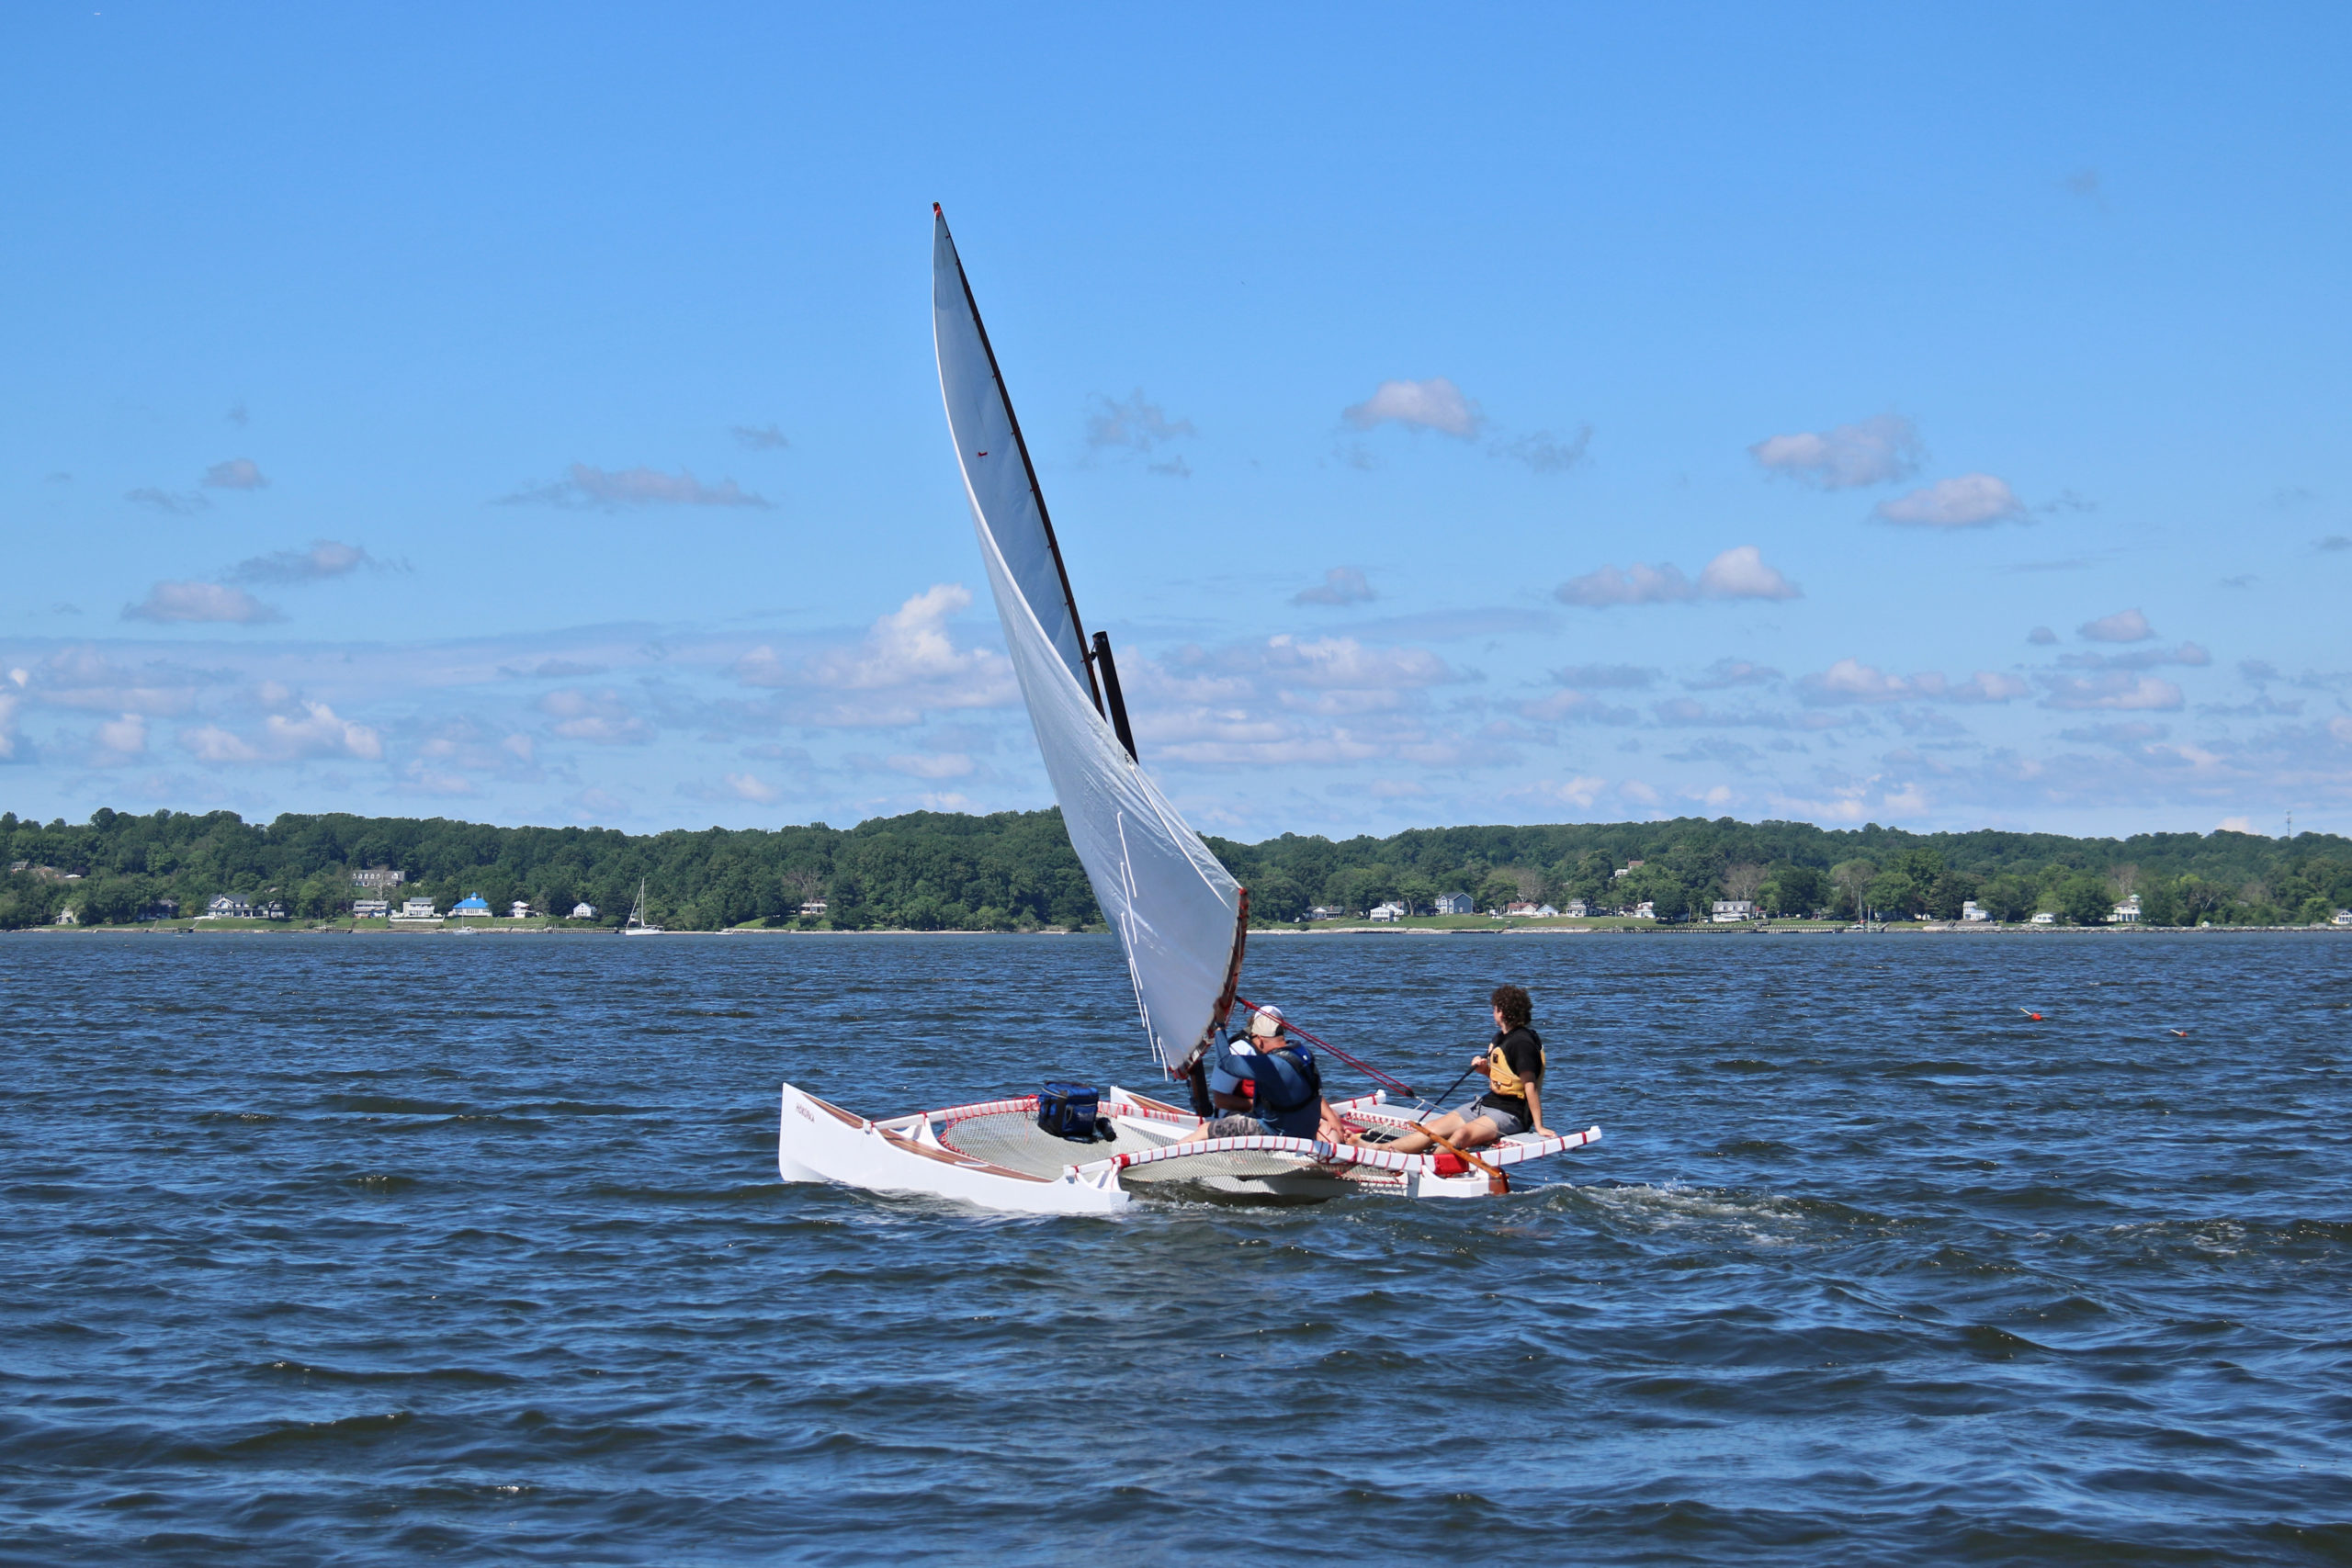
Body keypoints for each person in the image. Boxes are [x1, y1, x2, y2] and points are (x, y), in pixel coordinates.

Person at [1374, 984, 1547, 1156]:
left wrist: (1538, 1126)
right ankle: (1380, 1150)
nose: (1492, 1012)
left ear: (1501, 1011)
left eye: (1494, 1008)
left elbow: (1529, 1086)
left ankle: (1426, 1162)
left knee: (1460, 1136)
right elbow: (1503, 1077)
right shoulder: (1500, 1038)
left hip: (1511, 1113)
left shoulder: (1522, 1043)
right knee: (1431, 1129)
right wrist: (1483, 1070)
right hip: (1488, 1103)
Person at [1175, 1004, 1331, 1145]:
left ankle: (1172, 1153)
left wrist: (1219, 1026)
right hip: (1289, 1125)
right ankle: (1331, 1159)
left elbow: (1225, 1062)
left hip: (1273, 1129)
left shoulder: (1271, 1062)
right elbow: (1220, 1100)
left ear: (1260, 1038)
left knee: (1205, 1129)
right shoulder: (1300, 1052)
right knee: (1324, 1126)